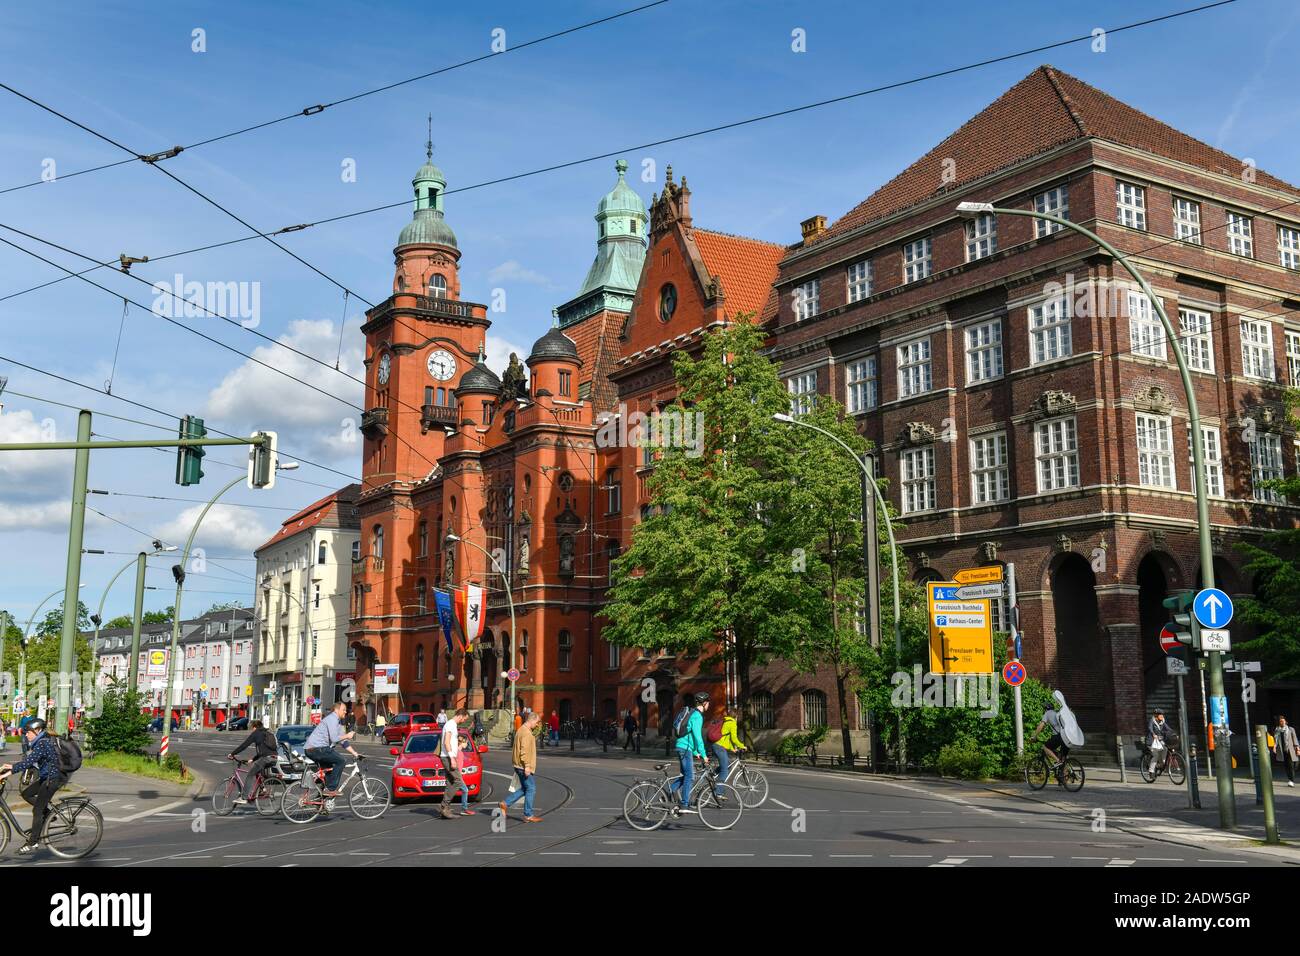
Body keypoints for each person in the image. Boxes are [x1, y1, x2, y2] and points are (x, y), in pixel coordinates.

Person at [0, 718, 67, 855]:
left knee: (37, 810)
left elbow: (28, 762)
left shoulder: (42, 743)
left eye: (28, 732)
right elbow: (31, 761)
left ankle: (33, 842)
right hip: (46, 777)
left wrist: (7, 774)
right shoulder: (41, 742)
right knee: (26, 793)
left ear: (37, 731)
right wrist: (11, 766)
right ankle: (48, 814)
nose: (26, 735)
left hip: (51, 779)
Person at [302, 702, 359, 797]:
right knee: (341, 761)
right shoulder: (332, 719)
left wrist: (355, 753)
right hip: (316, 748)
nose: (345, 712)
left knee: (329, 772)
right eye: (343, 709)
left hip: (316, 749)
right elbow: (335, 738)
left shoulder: (338, 722)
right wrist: (348, 735)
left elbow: (343, 741)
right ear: (337, 710)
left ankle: (321, 802)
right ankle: (331, 789)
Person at [499, 709, 543, 823]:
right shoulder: (526, 733)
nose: (537, 724)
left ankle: (505, 803)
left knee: (525, 788)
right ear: (532, 720)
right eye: (536, 722)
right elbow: (524, 751)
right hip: (523, 766)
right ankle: (528, 814)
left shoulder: (521, 730)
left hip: (518, 765)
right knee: (531, 788)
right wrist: (527, 766)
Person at [669, 693, 709, 814]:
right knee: (690, 776)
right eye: (708, 702)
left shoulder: (692, 713)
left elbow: (690, 733)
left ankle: (667, 794)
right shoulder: (697, 716)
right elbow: (697, 736)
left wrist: (696, 751)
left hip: (682, 746)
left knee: (685, 775)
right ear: (704, 703)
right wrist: (703, 754)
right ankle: (684, 804)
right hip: (685, 748)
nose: (709, 705)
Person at [228, 719, 278, 803]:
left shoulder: (256, 733)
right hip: (274, 758)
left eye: (252, 728)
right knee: (257, 770)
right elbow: (264, 750)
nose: (252, 729)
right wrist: (253, 759)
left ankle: (244, 798)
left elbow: (244, 745)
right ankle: (262, 790)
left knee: (250, 774)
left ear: (254, 727)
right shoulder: (266, 733)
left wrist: (232, 754)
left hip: (266, 758)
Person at [439, 708, 474, 818]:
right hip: (448, 757)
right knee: (458, 781)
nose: (464, 721)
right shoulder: (450, 725)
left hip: (448, 756)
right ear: (461, 715)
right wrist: (452, 758)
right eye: (464, 718)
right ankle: (444, 806)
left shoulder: (452, 725)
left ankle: (446, 809)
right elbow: (446, 742)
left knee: (450, 781)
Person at [710, 706, 745, 794]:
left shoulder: (725, 720)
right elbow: (734, 738)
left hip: (716, 745)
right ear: (736, 716)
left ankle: (713, 774)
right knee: (725, 770)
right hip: (719, 747)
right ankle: (718, 793)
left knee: (727, 765)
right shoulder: (732, 723)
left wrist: (732, 748)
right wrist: (742, 746)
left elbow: (725, 737)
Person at [1273, 716, 1299, 787]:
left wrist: (1297, 748)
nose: (1282, 722)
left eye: (1283, 721)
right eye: (1281, 721)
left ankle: (1291, 778)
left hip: (1291, 749)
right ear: (1279, 723)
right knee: (1287, 765)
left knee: (1294, 765)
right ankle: (1291, 780)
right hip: (1282, 750)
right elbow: (1276, 740)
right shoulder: (1277, 730)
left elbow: (1295, 738)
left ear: (1285, 721)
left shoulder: (1290, 729)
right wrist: (1274, 747)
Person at [1147, 709, 1174, 774]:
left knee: (1165, 748)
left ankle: (1161, 764)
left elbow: (1168, 728)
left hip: (1159, 741)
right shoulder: (1152, 721)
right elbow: (1150, 728)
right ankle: (1151, 771)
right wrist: (1153, 734)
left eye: (1162, 714)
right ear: (1156, 715)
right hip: (1151, 741)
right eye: (1160, 714)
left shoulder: (1162, 722)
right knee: (1155, 755)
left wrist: (1173, 733)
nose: (1162, 716)